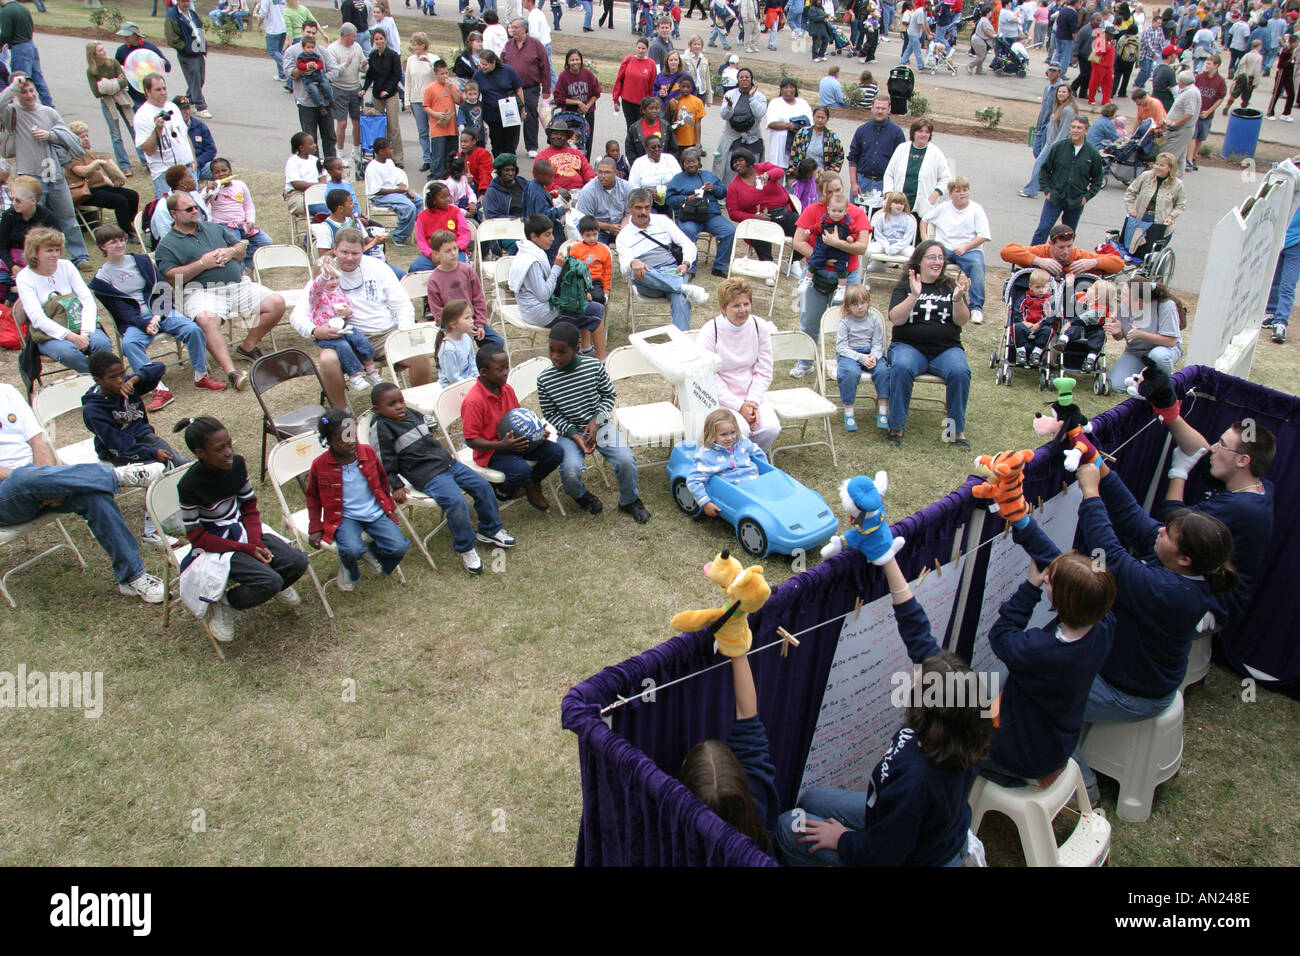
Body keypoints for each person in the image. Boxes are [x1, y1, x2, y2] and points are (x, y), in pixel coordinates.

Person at [1026, 460, 1237, 801]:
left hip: (1131, 693)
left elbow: (1108, 557)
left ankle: (1079, 782)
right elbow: (1134, 518)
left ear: (1184, 559)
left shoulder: (1170, 593)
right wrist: (1102, 469)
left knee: (1032, 693)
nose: (1159, 532)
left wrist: (1091, 492)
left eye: (1168, 534)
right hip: (1138, 677)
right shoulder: (1183, 568)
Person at [776, 547, 992, 866]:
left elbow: (882, 856)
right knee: (812, 800)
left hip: (900, 855)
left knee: (786, 827)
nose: (914, 677)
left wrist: (845, 839)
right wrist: (885, 554)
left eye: (920, 682)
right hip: (906, 830)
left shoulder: (917, 780)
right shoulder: (958, 722)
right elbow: (918, 635)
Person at [0, 381, 167, 605]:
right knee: (23, 477)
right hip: (7, 499)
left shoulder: (7, 392)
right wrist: (39, 483)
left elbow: (38, 441)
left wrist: (47, 480)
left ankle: (132, 577)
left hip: (42, 481)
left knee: (94, 495)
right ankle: (115, 477)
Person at [984, 518, 1117, 786]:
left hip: (1022, 756)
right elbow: (1065, 568)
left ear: (1060, 600)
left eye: (1049, 584)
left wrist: (1030, 588)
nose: (1045, 578)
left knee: (955, 743)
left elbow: (1001, 635)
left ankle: (1011, 778)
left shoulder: (1040, 651)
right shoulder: (1104, 623)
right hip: (1058, 742)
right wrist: (1023, 522)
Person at [173, 415, 307, 642]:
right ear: (200, 453)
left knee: (298, 562)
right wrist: (244, 548)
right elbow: (197, 537)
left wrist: (254, 540)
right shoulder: (188, 486)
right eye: (220, 449)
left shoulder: (237, 464)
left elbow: (249, 506)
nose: (228, 452)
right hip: (216, 545)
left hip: (243, 531)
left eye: (229, 445)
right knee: (270, 582)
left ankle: (275, 583)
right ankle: (225, 602)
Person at [371, 381, 515, 574]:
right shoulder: (381, 428)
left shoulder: (410, 414)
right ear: (377, 409)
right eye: (392, 404)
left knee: (482, 486)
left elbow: (428, 431)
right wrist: (394, 485)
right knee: (457, 503)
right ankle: (466, 547)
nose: (399, 406)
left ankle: (489, 529)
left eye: (401, 401)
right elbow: (381, 461)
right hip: (428, 475)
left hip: (449, 463)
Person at [1153, 415, 1275, 632]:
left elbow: (1173, 522)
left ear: (1242, 461)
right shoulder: (1258, 486)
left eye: (1222, 445)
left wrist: (1178, 473)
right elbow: (1199, 451)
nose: (1213, 448)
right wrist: (1168, 409)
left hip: (1213, 605)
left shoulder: (1241, 508)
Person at [152, 194, 286, 381]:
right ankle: (232, 372)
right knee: (207, 321)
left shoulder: (213, 228)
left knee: (277, 303)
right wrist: (201, 264)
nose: (195, 211)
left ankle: (247, 347)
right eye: (189, 209)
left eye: (195, 207)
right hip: (201, 292)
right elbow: (172, 277)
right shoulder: (167, 245)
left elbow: (240, 248)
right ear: (174, 213)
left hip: (238, 285)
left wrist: (230, 252)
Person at [90, 223, 229, 394]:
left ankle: (201, 376)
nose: (120, 245)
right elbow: (120, 310)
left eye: (121, 240)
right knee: (129, 344)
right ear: (103, 246)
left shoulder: (141, 261)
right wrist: (144, 324)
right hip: (135, 321)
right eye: (113, 242)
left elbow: (163, 289)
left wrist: (156, 316)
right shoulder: (101, 279)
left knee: (192, 329)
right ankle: (157, 388)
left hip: (161, 312)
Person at [537, 321, 649, 521]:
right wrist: (574, 434)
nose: (554, 356)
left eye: (561, 352)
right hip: (569, 433)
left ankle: (629, 500)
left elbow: (609, 396)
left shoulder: (593, 366)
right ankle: (582, 497)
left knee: (626, 460)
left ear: (577, 349)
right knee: (570, 471)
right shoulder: (544, 379)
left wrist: (597, 421)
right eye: (551, 350)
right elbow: (551, 414)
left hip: (601, 425)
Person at [678, 647, 779, 853]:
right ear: (739, 774)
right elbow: (747, 715)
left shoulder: (683, 844)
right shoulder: (756, 799)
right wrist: (737, 648)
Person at [81, 350, 186, 545]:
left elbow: (158, 368)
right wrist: (152, 453)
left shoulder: (127, 385)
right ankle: (150, 532)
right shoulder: (93, 410)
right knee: (158, 471)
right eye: (113, 377)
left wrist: (134, 379)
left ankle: (182, 509)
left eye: (122, 373)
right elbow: (118, 444)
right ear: (98, 380)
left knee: (183, 465)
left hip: (145, 438)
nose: (120, 380)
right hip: (119, 451)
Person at [306, 408, 410, 592]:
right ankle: (349, 563)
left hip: (374, 510)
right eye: (341, 439)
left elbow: (381, 480)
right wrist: (315, 526)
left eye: (351, 435)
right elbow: (313, 497)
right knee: (352, 550)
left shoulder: (367, 452)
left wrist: (389, 505)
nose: (350, 442)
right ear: (327, 442)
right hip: (345, 516)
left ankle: (369, 552)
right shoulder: (319, 465)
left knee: (399, 548)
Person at [885, 239, 972, 448]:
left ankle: (955, 430)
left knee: (960, 371)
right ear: (920, 261)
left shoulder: (950, 286)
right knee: (901, 367)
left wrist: (958, 299)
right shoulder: (906, 285)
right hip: (908, 346)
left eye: (941, 257)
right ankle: (896, 426)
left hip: (946, 349)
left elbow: (962, 321)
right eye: (932, 257)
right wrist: (914, 295)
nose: (937, 262)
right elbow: (896, 319)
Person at [0, 75, 91, 269]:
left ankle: (80, 257)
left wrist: (51, 135)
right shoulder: (13, 112)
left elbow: (69, 138)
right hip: (30, 175)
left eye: (32, 90)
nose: (30, 95)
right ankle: (32, 259)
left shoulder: (48, 112)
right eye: (24, 92)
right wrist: (12, 88)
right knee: (33, 222)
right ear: (17, 95)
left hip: (54, 174)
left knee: (68, 217)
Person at [460, 346, 563, 512]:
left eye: (507, 367)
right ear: (484, 372)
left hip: (516, 443)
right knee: (521, 470)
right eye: (500, 369)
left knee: (556, 452)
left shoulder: (507, 389)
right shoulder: (474, 401)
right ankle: (502, 492)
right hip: (492, 451)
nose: (506, 372)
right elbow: (471, 440)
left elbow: (518, 418)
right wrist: (503, 445)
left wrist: (536, 433)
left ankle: (531, 482)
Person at [14, 226, 113, 377]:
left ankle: (102, 381)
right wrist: (71, 336)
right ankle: (99, 379)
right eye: (49, 250)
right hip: (49, 333)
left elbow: (86, 299)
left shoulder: (66, 266)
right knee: (69, 352)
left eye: (57, 250)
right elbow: (37, 318)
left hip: (79, 323)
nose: (55, 254)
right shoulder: (25, 277)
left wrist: (85, 333)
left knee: (102, 343)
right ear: (35, 253)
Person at [697, 278, 780, 454]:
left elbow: (764, 370)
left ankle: (750, 460)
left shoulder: (759, 326)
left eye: (746, 304)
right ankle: (733, 464)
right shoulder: (711, 331)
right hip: (722, 397)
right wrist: (739, 406)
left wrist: (752, 402)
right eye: (736, 306)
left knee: (771, 428)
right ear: (723, 308)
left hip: (751, 394)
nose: (742, 310)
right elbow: (708, 375)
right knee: (740, 430)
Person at [511, 213, 608, 354]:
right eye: (547, 234)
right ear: (533, 236)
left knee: (582, 302)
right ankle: (601, 360)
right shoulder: (532, 261)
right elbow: (544, 295)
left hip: (533, 309)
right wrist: (557, 267)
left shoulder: (527, 252)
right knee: (596, 310)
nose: (552, 238)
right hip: (540, 313)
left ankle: (586, 349)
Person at [617, 188, 709, 331]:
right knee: (637, 272)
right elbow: (624, 269)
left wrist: (685, 264)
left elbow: (688, 244)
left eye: (647, 207)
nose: (643, 212)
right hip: (648, 280)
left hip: (670, 270)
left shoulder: (662, 221)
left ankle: (682, 344)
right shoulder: (624, 236)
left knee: (679, 297)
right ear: (629, 208)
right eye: (638, 208)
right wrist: (632, 263)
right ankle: (683, 287)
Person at [922, 176, 990, 325]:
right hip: (945, 247)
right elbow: (924, 220)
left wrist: (965, 247)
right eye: (958, 191)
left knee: (977, 265)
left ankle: (976, 308)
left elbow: (983, 236)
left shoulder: (976, 209)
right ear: (951, 193)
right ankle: (929, 295)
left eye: (965, 190)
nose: (962, 194)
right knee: (930, 262)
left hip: (970, 249)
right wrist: (926, 239)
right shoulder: (943, 207)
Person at [307, 261, 383, 392]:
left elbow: (347, 307)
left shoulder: (338, 292)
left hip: (342, 326)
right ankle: (354, 375)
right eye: (330, 279)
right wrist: (324, 276)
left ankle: (371, 372)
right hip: (327, 333)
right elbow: (316, 287)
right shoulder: (317, 295)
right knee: (343, 347)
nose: (334, 281)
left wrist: (348, 312)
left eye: (336, 277)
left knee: (361, 340)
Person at [1031, 117, 1104, 244]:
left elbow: (1098, 180)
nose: (1075, 130)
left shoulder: (1092, 153)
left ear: (1086, 131)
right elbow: (1045, 170)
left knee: (1068, 234)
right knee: (1043, 229)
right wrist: (1047, 190)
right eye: (1073, 127)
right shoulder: (1058, 147)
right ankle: (1033, 258)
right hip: (1055, 197)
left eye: (1079, 128)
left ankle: (1063, 259)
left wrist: (1086, 197)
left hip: (1075, 200)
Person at [425, 229, 503, 348]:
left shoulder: (467, 270)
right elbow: (438, 312)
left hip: (472, 321)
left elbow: (478, 298)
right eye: (447, 251)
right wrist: (457, 327)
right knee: (460, 348)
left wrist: (480, 324)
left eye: (455, 248)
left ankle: (480, 366)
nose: (453, 253)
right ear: (436, 254)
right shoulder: (434, 280)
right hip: (451, 326)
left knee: (496, 343)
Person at [665, 149, 734, 279]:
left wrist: (714, 188)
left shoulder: (709, 176)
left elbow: (722, 193)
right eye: (687, 162)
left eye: (693, 161)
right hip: (688, 216)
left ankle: (720, 267)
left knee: (729, 231)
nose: (691, 165)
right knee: (688, 231)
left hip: (710, 215)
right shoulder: (677, 179)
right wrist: (686, 198)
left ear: (699, 162)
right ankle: (690, 268)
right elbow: (669, 200)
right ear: (683, 164)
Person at [1103, 280, 1184, 391]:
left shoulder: (1165, 305)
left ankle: (1165, 383)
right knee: (1115, 385)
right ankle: (1144, 377)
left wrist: (1141, 334)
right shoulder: (1124, 306)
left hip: (1164, 349)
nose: (1121, 296)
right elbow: (1120, 337)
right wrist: (1118, 332)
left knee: (1158, 356)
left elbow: (1171, 341)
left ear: (1140, 302)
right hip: (1136, 352)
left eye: (1125, 295)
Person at [687, 407, 769, 514]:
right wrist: (705, 502)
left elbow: (757, 451)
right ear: (712, 434)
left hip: (756, 483)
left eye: (732, 432)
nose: (730, 438)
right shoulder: (707, 456)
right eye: (723, 434)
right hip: (736, 492)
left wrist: (764, 469)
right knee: (761, 511)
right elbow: (693, 480)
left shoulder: (742, 442)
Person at [63, 123, 138, 238]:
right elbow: (81, 171)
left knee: (132, 195)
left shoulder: (87, 152)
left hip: (100, 187)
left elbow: (100, 176)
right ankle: (126, 232)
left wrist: (114, 183)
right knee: (120, 200)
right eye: (82, 137)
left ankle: (129, 223)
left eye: (86, 135)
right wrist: (96, 162)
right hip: (87, 192)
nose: (86, 139)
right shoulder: (72, 154)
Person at [835, 283, 889, 432]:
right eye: (854, 304)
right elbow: (841, 347)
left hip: (870, 353)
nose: (859, 307)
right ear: (847, 306)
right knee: (850, 373)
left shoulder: (873, 320)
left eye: (863, 303)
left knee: (884, 371)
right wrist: (860, 358)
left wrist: (875, 356)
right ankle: (849, 412)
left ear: (868, 302)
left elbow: (877, 342)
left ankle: (883, 410)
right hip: (850, 354)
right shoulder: (845, 322)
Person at [133, 75, 197, 201]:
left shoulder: (172, 107)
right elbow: (148, 149)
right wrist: (157, 130)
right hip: (165, 173)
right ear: (147, 91)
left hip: (187, 168)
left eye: (164, 88)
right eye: (158, 90)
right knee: (170, 210)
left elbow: (184, 135)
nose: (163, 93)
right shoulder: (142, 115)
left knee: (193, 208)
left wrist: (193, 159)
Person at [85, 42, 139, 179]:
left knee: (134, 129)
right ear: (94, 54)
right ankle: (124, 166)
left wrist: (106, 84)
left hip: (122, 99)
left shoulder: (113, 63)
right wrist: (115, 83)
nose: (104, 51)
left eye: (103, 48)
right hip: (107, 103)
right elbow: (97, 92)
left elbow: (124, 82)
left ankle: (146, 161)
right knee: (116, 135)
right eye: (100, 50)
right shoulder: (92, 71)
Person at [501, 17, 551, 158]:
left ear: (524, 29)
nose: (513, 30)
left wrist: (546, 89)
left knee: (530, 115)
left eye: (516, 27)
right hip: (510, 89)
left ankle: (531, 146)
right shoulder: (508, 45)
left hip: (530, 87)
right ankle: (511, 146)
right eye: (512, 27)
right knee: (512, 116)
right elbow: (501, 64)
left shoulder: (536, 45)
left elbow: (545, 67)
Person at [882, 119, 951, 220]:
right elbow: (889, 173)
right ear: (913, 133)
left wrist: (934, 196)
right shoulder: (902, 149)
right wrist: (889, 194)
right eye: (920, 131)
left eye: (927, 132)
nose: (923, 134)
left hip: (922, 206)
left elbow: (946, 178)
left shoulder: (936, 153)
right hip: (898, 205)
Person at [1000, 221, 1125, 277]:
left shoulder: (1079, 256)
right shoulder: (1041, 252)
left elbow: (1118, 263)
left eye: (1069, 246)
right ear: (1050, 244)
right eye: (1061, 247)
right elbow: (1006, 251)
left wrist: (1093, 262)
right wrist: (1037, 260)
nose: (1066, 251)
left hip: (1069, 306)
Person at [1122, 151, 1185, 257]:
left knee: (1151, 252)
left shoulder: (1177, 184)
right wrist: (1131, 208)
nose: (1158, 167)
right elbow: (1130, 192)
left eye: (1162, 165)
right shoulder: (1146, 176)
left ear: (1170, 168)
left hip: (1160, 222)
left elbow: (1180, 205)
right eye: (1157, 164)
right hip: (1141, 217)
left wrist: (1171, 216)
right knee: (1132, 250)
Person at [1020, 85, 1076, 198]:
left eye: (1063, 92)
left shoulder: (1068, 110)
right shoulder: (1060, 107)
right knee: (1051, 167)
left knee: (1040, 164)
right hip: (1050, 142)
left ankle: (1031, 190)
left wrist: (1055, 147)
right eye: (1059, 91)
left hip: (1054, 144)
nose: (1060, 94)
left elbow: (1064, 131)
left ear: (1069, 94)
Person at [713, 68, 767, 183]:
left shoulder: (759, 96)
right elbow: (724, 116)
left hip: (752, 137)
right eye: (741, 77)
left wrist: (751, 98)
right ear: (737, 80)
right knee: (729, 169)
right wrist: (728, 106)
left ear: (751, 79)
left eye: (747, 77)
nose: (744, 79)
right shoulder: (730, 94)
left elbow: (760, 113)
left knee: (752, 168)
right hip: (732, 135)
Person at [363, 138, 419, 244]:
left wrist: (407, 190)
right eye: (390, 149)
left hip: (395, 193)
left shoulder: (389, 162)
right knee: (409, 206)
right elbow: (376, 191)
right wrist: (397, 190)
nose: (392, 151)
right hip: (380, 197)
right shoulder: (372, 167)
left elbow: (398, 180)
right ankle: (399, 236)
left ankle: (419, 230)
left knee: (419, 200)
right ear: (381, 151)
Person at [847, 96, 905, 197]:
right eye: (877, 108)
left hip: (884, 184)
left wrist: (893, 189)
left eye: (883, 108)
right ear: (872, 108)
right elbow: (853, 159)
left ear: (889, 109)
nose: (880, 111)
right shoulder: (862, 130)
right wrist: (853, 183)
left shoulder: (897, 133)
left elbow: (901, 163)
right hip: (862, 183)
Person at [472, 50, 526, 157]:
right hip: (492, 114)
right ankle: (498, 166)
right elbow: (473, 91)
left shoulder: (507, 70)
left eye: (485, 64)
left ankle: (509, 168)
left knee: (509, 144)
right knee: (496, 144)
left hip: (509, 111)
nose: (482, 67)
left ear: (493, 63)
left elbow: (518, 89)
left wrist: (522, 109)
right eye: (480, 63)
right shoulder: (478, 74)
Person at [362, 31, 404, 167]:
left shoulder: (393, 55)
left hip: (390, 93)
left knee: (393, 127)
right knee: (379, 125)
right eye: (376, 39)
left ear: (385, 39)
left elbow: (397, 75)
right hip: (377, 94)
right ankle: (381, 157)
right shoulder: (373, 55)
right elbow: (370, 75)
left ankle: (397, 157)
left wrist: (388, 90)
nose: (379, 41)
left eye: (381, 39)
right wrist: (364, 88)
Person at [0, 0, 53, 108]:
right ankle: (49, 104)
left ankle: (15, 108)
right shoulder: (23, 8)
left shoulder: (6, 11)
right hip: (30, 44)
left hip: (19, 47)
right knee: (38, 78)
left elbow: (6, 34)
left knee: (20, 80)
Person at [164, 0, 212, 118]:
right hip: (187, 54)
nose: (186, 3)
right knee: (195, 79)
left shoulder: (192, 13)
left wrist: (203, 45)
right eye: (183, 1)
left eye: (187, 1)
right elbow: (171, 37)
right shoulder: (172, 15)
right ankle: (200, 106)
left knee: (199, 79)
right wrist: (184, 48)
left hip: (198, 51)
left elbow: (198, 28)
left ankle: (188, 101)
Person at [552, 50, 602, 160]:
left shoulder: (587, 74)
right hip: (569, 115)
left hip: (587, 113)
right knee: (570, 141)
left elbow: (596, 93)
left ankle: (585, 163)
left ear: (581, 60)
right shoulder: (564, 76)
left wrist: (587, 106)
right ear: (568, 62)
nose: (575, 62)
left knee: (586, 140)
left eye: (577, 59)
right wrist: (578, 102)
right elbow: (558, 98)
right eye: (572, 60)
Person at [328, 24, 367, 166]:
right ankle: (340, 151)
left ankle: (356, 151)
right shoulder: (332, 49)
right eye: (352, 36)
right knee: (342, 122)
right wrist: (346, 63)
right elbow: (333, 71)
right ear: (344, 35)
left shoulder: (357, 47)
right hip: (339, 89)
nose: (354, 39)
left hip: (355, 88)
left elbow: (363, 68)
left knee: (357, 121)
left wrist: (364, 65)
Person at [411, 181, 471, 271]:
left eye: (448, 196)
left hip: (455, 251)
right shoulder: (422, 217)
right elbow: (421, 241)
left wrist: (456, 248)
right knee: (415, 268)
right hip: (434, 253)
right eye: (443, 197)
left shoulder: (455, 211)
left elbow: (465, 233)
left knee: (461, 269)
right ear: (433, 201)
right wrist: (431, 254)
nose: (448, 200)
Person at [574, 157, 633, 244]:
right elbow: (585, 220)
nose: (603, 176)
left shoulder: (627, 187)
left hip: (621, 226)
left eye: (607, 172)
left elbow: (630, 213)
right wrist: (609, 227)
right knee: (595, 251)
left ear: (615, 173)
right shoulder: (588, 191)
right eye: (600, 172)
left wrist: (622, 228)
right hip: (596, 229)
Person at [629, 133, 683, 211]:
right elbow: (632, 186)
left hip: (669, 196)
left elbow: (679, 180)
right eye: (653, 147)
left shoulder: (670, 159)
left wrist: (661, 188)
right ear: (646, 149)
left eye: (659, 146)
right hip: (647, 200)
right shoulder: (639, 163)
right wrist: (648, 193)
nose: (657, 149)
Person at [537, 120, 596, 192]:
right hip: (556, 194)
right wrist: (556, 189)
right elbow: (541, 178)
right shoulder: (542, 156)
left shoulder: (577, 154)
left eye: (562, 135)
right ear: (550, 136)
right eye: (555, 134)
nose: (558, 137)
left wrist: (590, 184)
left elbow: (587, 171)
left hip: (580, 191)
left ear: (567, 137)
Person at [614, 38, 660, 129]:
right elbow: (619, 80)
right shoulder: (628, 60)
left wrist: (652, 103)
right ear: (635, 47)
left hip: (643, 103)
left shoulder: (651, 64)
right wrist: (615, 99)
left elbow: (652, 86)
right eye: (639, 48)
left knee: (641, 128)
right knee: (630, 127)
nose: (640, 51)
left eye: (643, 48)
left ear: (647, 49)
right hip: (627, 101)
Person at [1012, 268, 1054, 366]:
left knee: (1048, 330)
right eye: (1038, 287)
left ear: (1049, 287)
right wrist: (1024, 322)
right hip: (1025, 325)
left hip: (1040, 327)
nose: (1041, 290)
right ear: (1031, 286)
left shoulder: (1049, 301)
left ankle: (1037, 353)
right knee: (1016, 327)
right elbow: (1017, 310)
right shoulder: (1025, 298)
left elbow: (1050, 316)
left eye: (1044, 287)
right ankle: (1020, 352)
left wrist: (1039, 325)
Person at [789, 105, 843, 172]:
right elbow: (794, 153)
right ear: (813, 117)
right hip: (802, 175)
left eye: (823, 118)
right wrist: (791, 173)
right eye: (817, 117)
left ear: (827, 119)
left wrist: (830, 173)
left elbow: (839, 156)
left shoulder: (832, 137)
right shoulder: (803, 133)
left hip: (821, 177)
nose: (820, 120)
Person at [1221, 38, 1263, 114]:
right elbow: (1257, 70)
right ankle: (1242, 110)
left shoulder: (1247, 55)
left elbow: (1240, 65)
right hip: (1250, 79)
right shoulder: (1259, 57)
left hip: (1242, 76)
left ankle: (1227, 106)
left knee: (1235, 92)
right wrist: (1256, 82)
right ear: (1259, 46)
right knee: (1246, 96)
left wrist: (1236, 75)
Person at [869, 191, 913, 257]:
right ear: (890, 204)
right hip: (883, 244)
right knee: (868, 250)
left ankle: (899, 265)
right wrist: (886, 245)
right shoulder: (882, 217)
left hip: (901, 246)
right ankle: (867, 266)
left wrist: (896, 247)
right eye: (896, 203)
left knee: (913, 254)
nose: (899, 206)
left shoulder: (907, 219)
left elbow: (908, 237)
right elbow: (877, 234)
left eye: (901, 204)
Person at [1266, 33, 1298, 121]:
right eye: (1296, 42)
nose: (1297, 44)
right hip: (1282, 75)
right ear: (1291, 42)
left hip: (1289, 76)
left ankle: (1286, 113)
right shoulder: (1285, 51)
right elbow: (1280, 65)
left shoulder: (1293, 51)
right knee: (1276, 93)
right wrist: (1290, 60)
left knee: (1291, 94)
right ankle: (1270, 113)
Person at [898, 0, 931, 72]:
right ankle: (920, 66)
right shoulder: (920, 12)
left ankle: (902, 63)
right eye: (929, 6)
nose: (930, 8)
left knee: (909, 49)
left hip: (915, 33)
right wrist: (927, 35)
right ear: (925, 5)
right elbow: (922, 25)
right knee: (917, 50)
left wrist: (930, 32)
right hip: (913, 33)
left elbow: (926, 22)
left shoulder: (924, 12)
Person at [969, 3, 997, 73]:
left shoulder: (984, 20)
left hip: (979, 40)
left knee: (983, 55)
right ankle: (970, 66)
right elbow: (987, 31)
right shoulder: (985, 20)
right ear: (988, 13)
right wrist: (993, 36)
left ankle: (979, 69)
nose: (991, 13)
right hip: (979, 40)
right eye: (991, 12)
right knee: (981, 56)